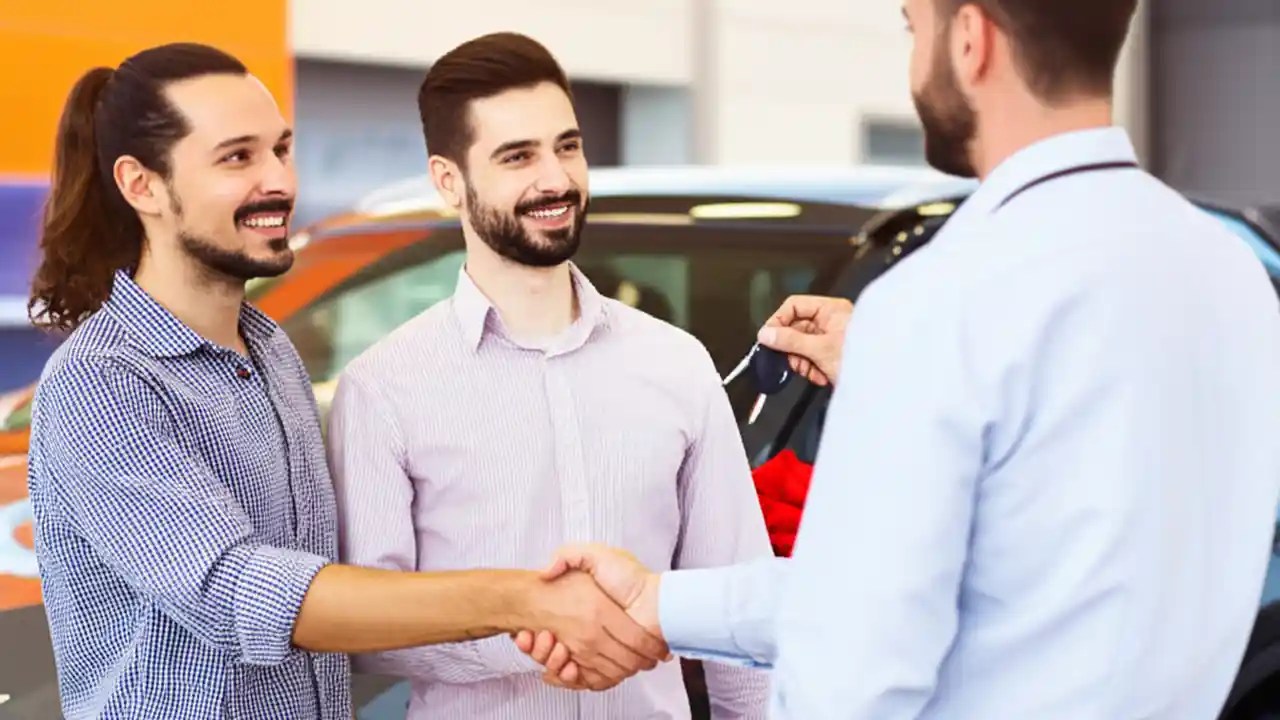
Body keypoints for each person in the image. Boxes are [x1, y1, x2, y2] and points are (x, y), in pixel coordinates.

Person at [516, 0, 1280, 716]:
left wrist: (907, 368)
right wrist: (661, 601)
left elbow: (854, 669)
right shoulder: (1236, 276)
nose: (914, 63)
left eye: (914, 27)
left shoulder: (939, 303)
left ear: (971, 39)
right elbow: (1005, 588)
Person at [24, 43, 666, 720]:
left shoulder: (271, 354)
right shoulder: (101, 382)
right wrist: (526, 600)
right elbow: (241, 591)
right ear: (141, 185)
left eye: (281, 149)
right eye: (237, 157)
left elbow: (349, 600)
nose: (278, 182)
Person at [325, 32, 772, 719]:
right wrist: (539, 637)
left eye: (567, 146)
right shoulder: (383, 389)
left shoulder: (677, 363)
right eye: (518, 157)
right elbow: (374, 633)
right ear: (449, 181)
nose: (556, 179)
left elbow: (737, 593)